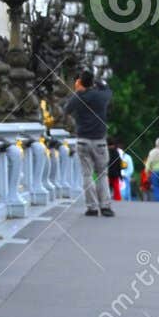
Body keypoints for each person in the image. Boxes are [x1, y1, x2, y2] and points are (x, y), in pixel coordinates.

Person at [62, 69, 114, 216]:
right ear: (92, 82)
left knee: (87, 175)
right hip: (99, 141)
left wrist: (78, 90)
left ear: (80, 82)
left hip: (83, 140)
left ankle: (91, 207)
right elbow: (108, 90)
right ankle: (105, 206)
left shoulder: (78, 97)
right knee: (102, 174)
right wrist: (98, 82)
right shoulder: (101, 96)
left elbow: (66, 110)